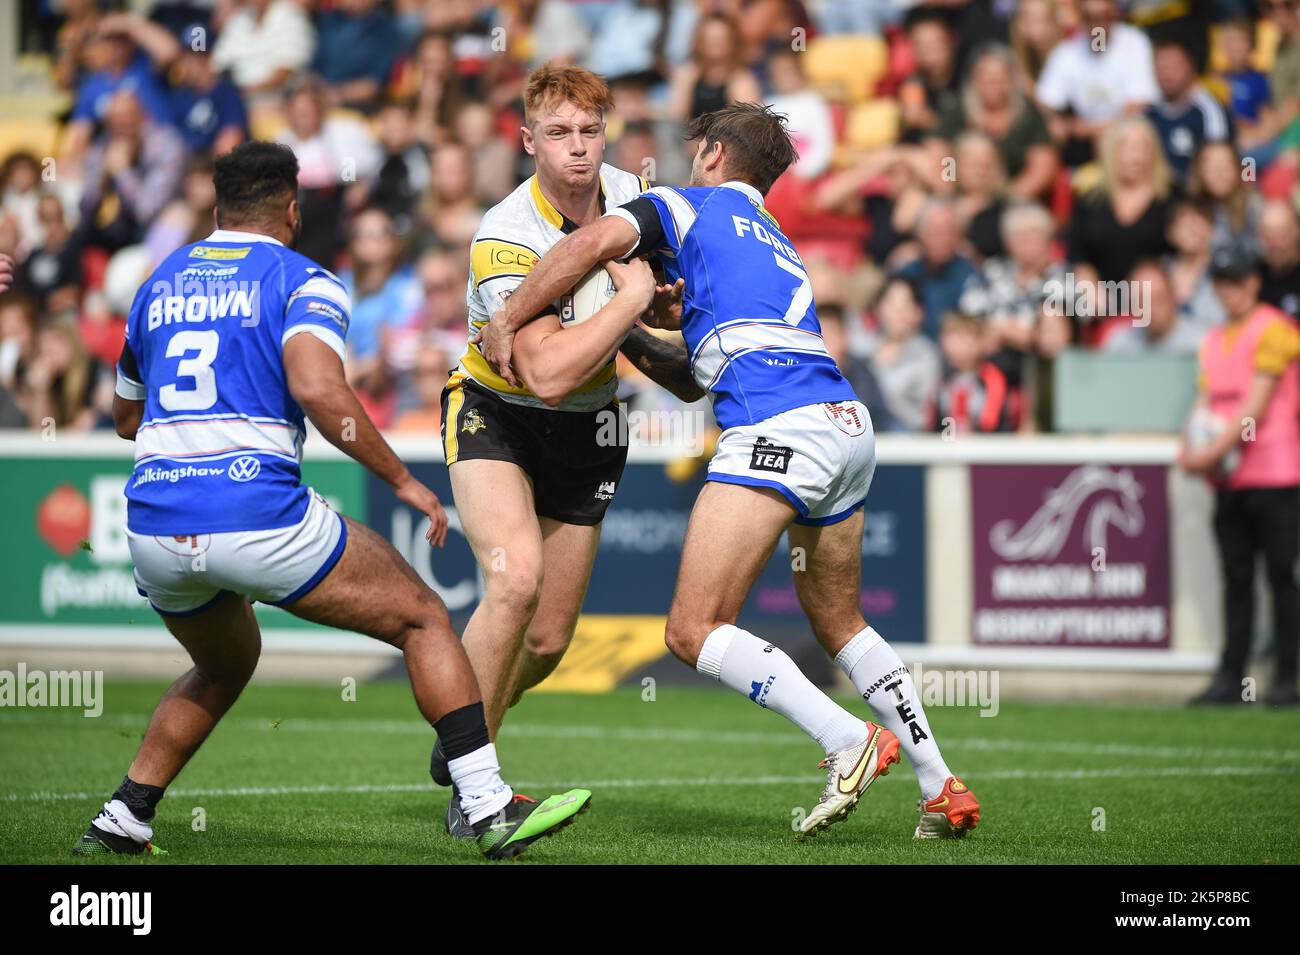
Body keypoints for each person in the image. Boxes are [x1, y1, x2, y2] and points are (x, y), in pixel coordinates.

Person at [72, 141, 590, 861]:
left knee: (225, 663)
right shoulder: (300, 277)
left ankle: (123, 816)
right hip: (252, 507)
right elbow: (319, 388)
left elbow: (129, 417)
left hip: (154, 523)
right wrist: (402, 480)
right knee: (424, 617)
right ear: (290, 210)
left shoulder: (158, 281)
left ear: (217, 208)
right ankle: (487, 805)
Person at [480, 103, 980, 840]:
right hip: (845, 425)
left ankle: (847, 739)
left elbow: (586, 246)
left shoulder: (682, 203)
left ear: (713, 153)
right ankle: (941, 783)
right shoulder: (772, 237)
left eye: (693, 152)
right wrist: (646, 324)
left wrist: (508, 316)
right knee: (842, 621)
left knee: (691, 630)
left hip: (776, 425)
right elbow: (699, 358)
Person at [427, 66, 679, 839]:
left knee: (548, 637)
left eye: (590, 132)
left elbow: (670, 337)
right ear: (527, 140)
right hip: (496, 411)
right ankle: (479, 785)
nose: (578, 149)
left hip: (590, 426)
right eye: (559, 134)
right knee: (515, 580)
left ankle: (465, 723)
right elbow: (543, 371)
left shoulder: (635, 200)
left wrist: (658, 311)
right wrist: (635, 302)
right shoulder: (506, 232)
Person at [1180, 246, 1300, 708]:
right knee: (1235, 577)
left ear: (1254, 282)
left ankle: (1287, 676)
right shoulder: (1212, 339)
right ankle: (1232, 676)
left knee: (1281, 575)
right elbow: (1204, 402)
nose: (1231, 290)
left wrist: (1207, 451)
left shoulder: (1275, 329)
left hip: (1274, 472)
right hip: (1229, 477)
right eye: (1224, 283)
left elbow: (1257, 403)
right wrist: (1188, 446)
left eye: (1238, 280)